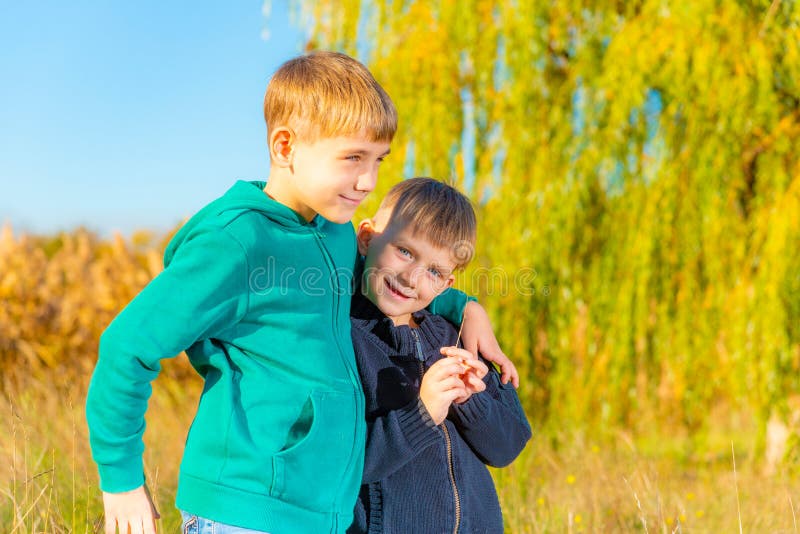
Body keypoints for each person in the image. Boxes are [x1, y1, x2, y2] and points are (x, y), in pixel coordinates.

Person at [85, 51, 518, 534]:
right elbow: (127, 348)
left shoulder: (334, 233)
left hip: (320, 510)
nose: (368, 181)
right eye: (352, 158)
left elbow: (398, 282)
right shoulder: (237, 244)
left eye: (378, 160)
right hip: (244, 508)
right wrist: (121, 481)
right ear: (286, 146)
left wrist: (467, 307)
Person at [348, 178, 532, 533]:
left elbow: (509, 446)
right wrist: (421, 414)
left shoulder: (456, 336)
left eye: (434, 271)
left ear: (447, 285)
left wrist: (471, 402)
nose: (412, 278)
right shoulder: (347, 339)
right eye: (404, 251)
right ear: (367, 238)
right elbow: (345, 462)